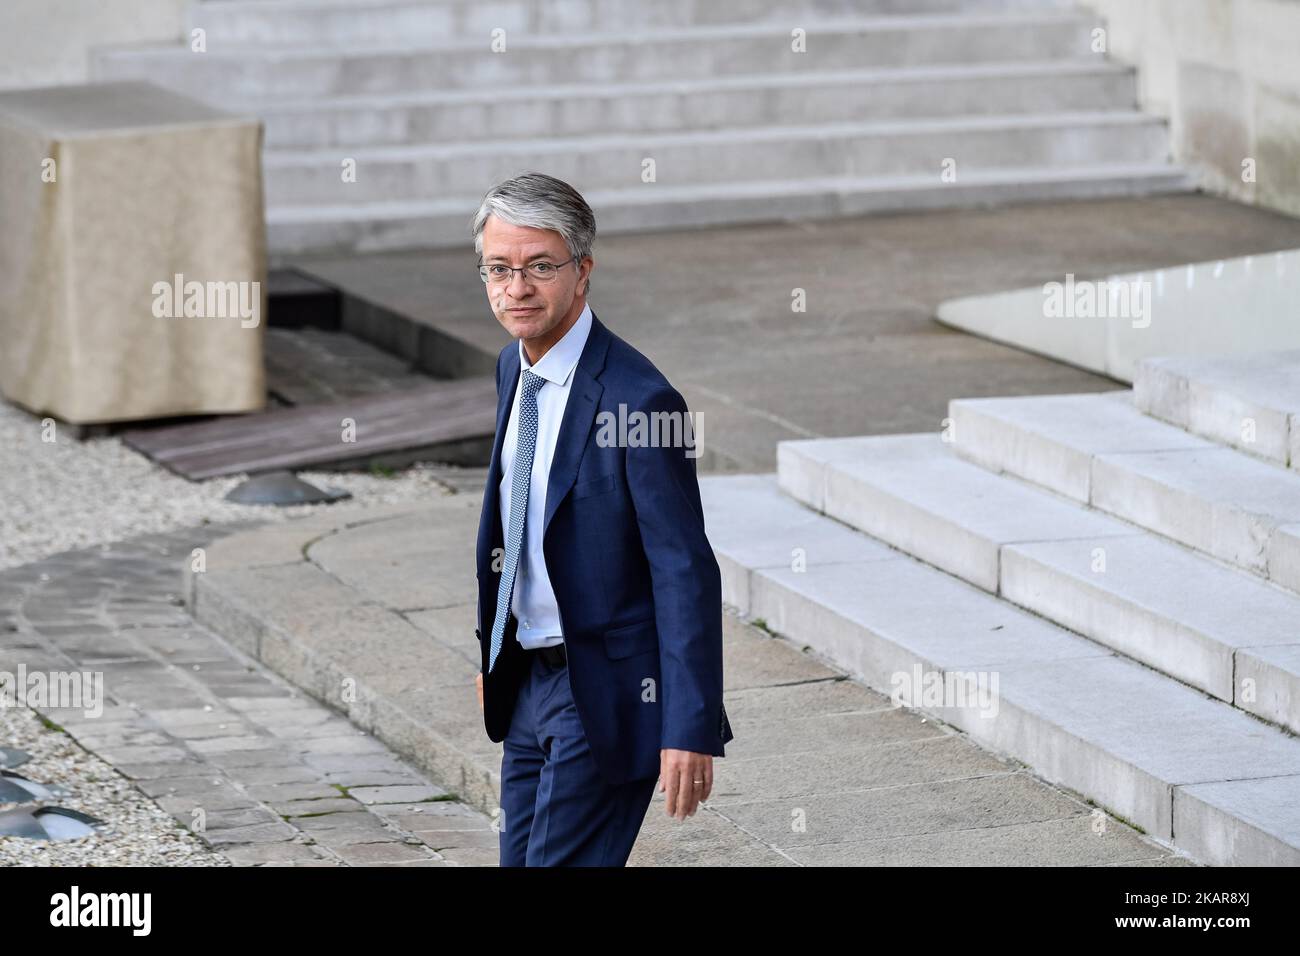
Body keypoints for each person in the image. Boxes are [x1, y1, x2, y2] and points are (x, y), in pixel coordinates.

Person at [469, 171, 733, 866]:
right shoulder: (512, 368)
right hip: (527, 680)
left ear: (582, 272)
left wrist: (688, 725)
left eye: (539, 267)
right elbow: (516, 528)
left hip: (606, 695)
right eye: (499, 269)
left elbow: (685, 571)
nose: (516, 288)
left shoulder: (641, 403)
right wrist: (497, 647)